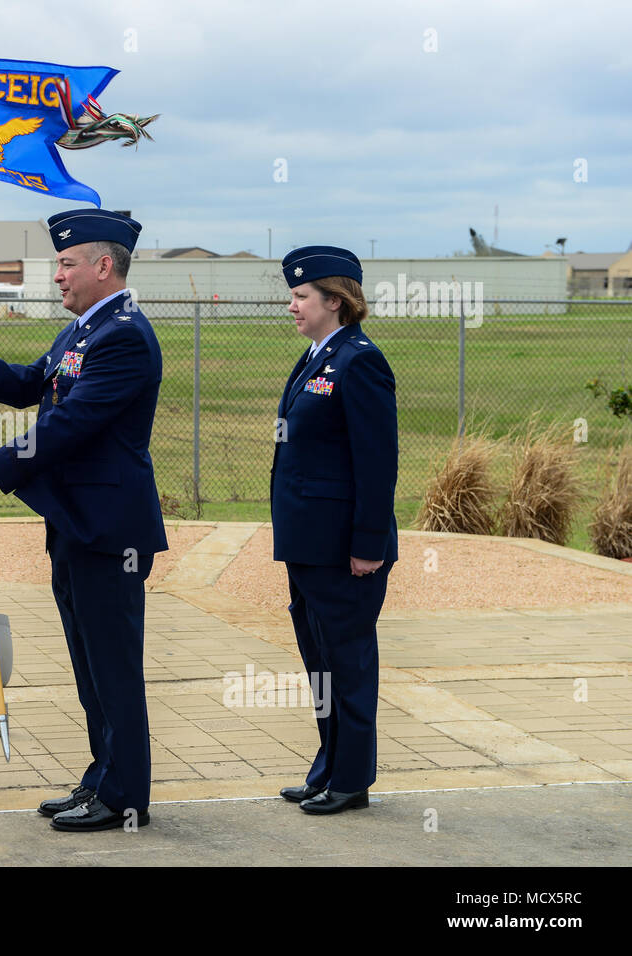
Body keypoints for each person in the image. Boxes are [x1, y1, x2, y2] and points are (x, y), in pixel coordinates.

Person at [0, 208, 167, 832]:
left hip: (109, 531)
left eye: (68, 264)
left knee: (113, 667)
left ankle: (125, 794)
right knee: (90, 664)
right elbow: (30, 386)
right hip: (76, 524)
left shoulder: (123, 335)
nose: (59, 277)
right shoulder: (81, 333)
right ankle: (103, 775)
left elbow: (67, 425)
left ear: (105, 266)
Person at [271, 245, 398, 815]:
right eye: (293, 296)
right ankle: (328, 767)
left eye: (301, 296)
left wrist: (368, 545)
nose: (292, 305)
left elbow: (378, 462)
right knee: (320, 663)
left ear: (336, 301)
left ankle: (351, 779)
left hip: (345, 551)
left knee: (347, 664)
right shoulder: (317, 357)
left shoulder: (359, 360)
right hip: (310, 546)